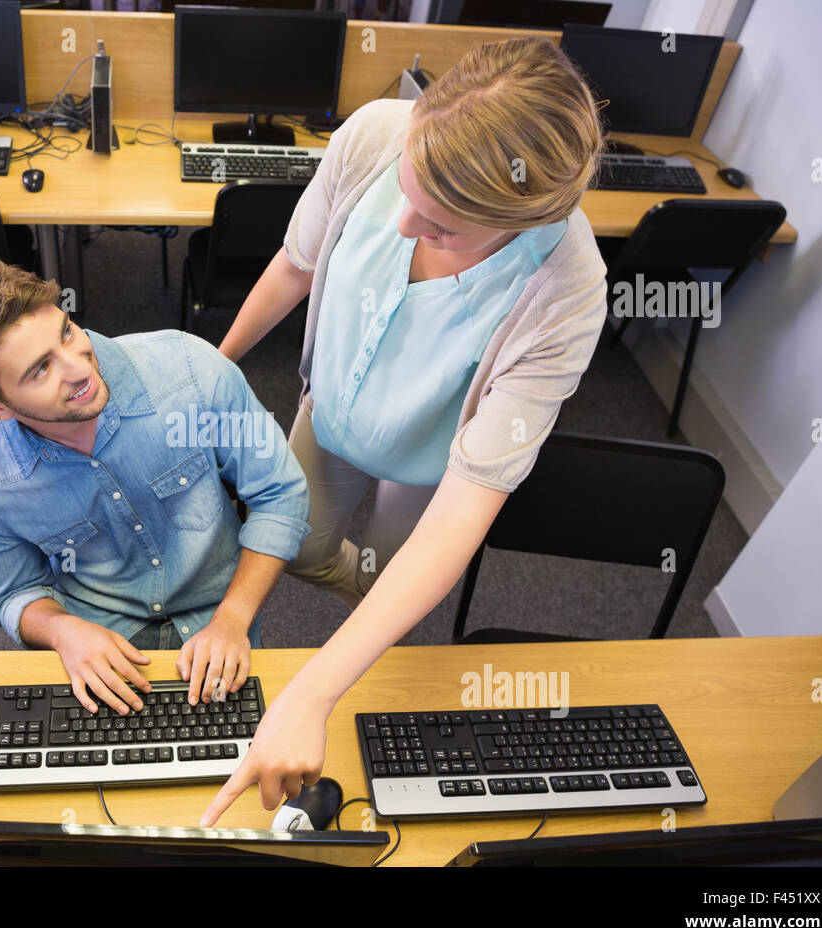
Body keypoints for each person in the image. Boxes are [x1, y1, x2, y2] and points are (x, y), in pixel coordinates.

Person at [201, 37, 608, 824]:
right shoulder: (375, 135)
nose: (401, 222)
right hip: (331, 411)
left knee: (397, 580)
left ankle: (377, 618)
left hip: (429, 468)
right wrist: (211, 370)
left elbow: (464, 511)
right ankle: (372, 608)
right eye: (408, 187)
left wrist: (311, 693)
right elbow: (297, 264)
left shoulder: (566, 293)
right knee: (299, 547)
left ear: (519, 223)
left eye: (443, 227)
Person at [0, 261, 310, 716]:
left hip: (219, 616)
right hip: (97, 643)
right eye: (40, 370)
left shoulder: (192, 372)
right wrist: (63, 631)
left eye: (66, 332)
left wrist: (233, 620)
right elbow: (12, 592)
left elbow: (279, 496)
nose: (78, 367)